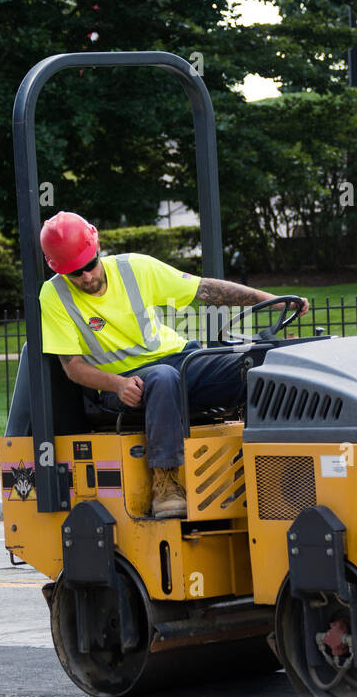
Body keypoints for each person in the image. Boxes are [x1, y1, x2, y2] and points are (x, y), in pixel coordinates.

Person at [38, 210, 309, 518]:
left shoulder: (135, 269)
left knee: (257, 363)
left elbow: (204, 289)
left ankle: (276, 465)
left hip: (178, 361)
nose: (86, 277)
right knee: (163, 377)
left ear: (98, 248)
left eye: (89, 265)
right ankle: (165, 484)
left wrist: (274, 299)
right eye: (75, 273)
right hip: (124, 385)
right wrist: (118, 384)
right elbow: (72, 366)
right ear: (58, 269)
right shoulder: (54, 295)